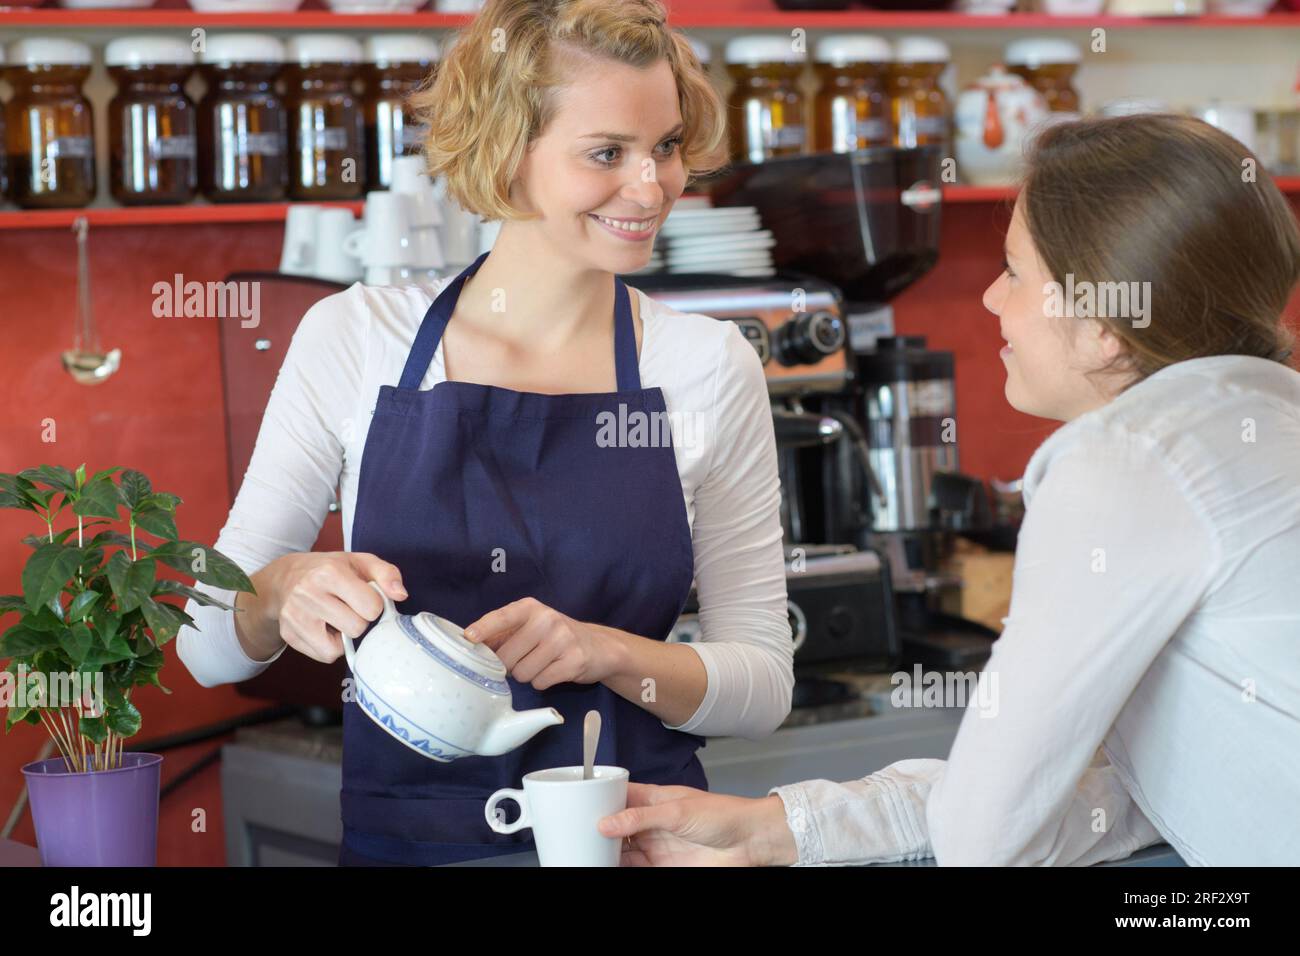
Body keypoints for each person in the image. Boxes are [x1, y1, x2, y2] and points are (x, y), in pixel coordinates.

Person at [176, 0, 793, 865]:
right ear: (509, 152)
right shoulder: (358, 338)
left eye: (668, 146)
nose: (651, 186)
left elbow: (762, 684)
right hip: (411, 846)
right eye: (607, 153)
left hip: (630, 843)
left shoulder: (705, 364)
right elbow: (205, 649)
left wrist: (605, 652)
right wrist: (280, 590)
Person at [599, 113, 1300, 866]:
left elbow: (986, 838)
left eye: (1016, 272)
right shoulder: (1268, 419)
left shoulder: (1122, 463)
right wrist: (783, 829)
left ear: (1103, 322)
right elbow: (1136, 796)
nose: (994, 300)